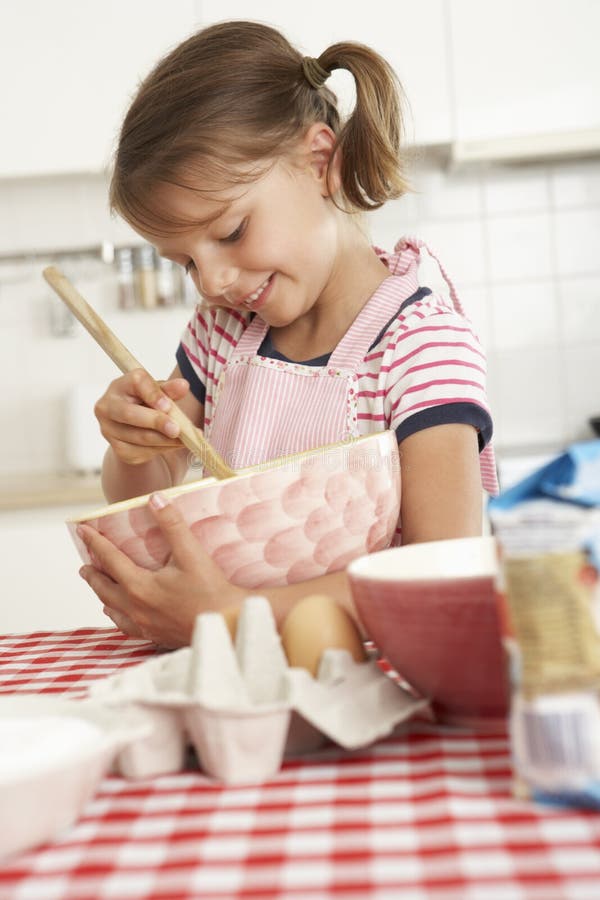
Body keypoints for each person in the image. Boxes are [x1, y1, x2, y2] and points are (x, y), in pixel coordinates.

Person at [77, 20, 498, 648]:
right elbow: (150, 496)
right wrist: (134, 449)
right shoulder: (222, 334)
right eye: (186, 261)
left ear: (320, 161)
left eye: (230, 232)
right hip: (249, 669)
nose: (211, 281)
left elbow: (440, 573)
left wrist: (229, 615)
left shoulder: (419, 345)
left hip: (383, 677)